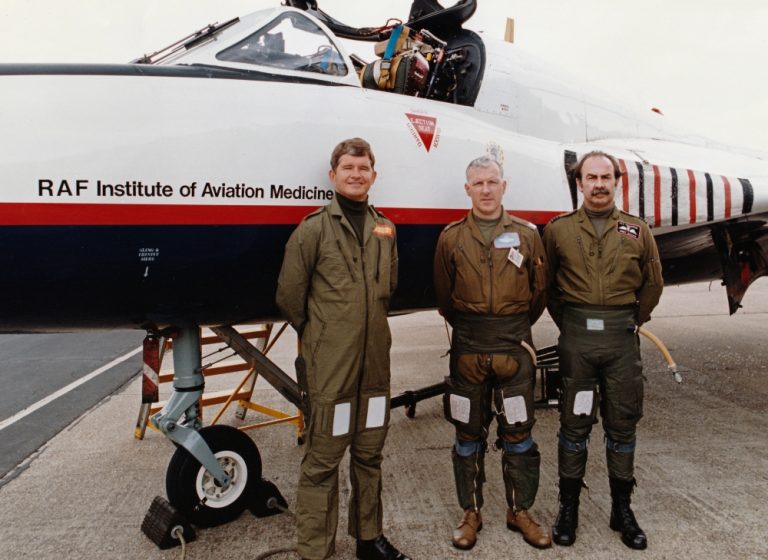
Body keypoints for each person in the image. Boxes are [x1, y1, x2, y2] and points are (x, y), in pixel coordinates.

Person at [276, 138, 409, 560]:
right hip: (331, 368)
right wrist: (325, 335)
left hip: (373, 368)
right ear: (333, 175)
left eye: (363, 168)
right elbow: (289, 295)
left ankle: (369, 540)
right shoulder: (313, 228)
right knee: (323, 459)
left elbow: (388, 288)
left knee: (370, 454)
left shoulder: (384, 228)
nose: (356, 174)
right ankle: (315, 549)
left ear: (374, 175)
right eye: (348, 168)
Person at [543, 150, 663, 550]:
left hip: (621, 342)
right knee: (574, 425)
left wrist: (631, 322)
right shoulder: (558, 230)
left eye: (605, 177)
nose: (598, 184)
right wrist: (572, 324)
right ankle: (569, 508)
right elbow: (548, 288)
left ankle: (622, 509)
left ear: (616, 182)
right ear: (579, 183)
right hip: (577, 343)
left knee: (622, 425)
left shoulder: (636, 230)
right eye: (590, 177)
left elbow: (652, 284)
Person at [433, 155, 551, 550]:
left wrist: (510, 327)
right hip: (468, 349)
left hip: (513, 348)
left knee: (519, 435)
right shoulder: (451, 237)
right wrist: (474, 326)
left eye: (492, 182)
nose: (485, 189)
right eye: (478, 183)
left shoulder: (527, 235)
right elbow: (444, 296)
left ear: (504, 185)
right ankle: (471, 513)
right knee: (467, 436)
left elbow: (539, 292)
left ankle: (519, 512)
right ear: (467, 189)